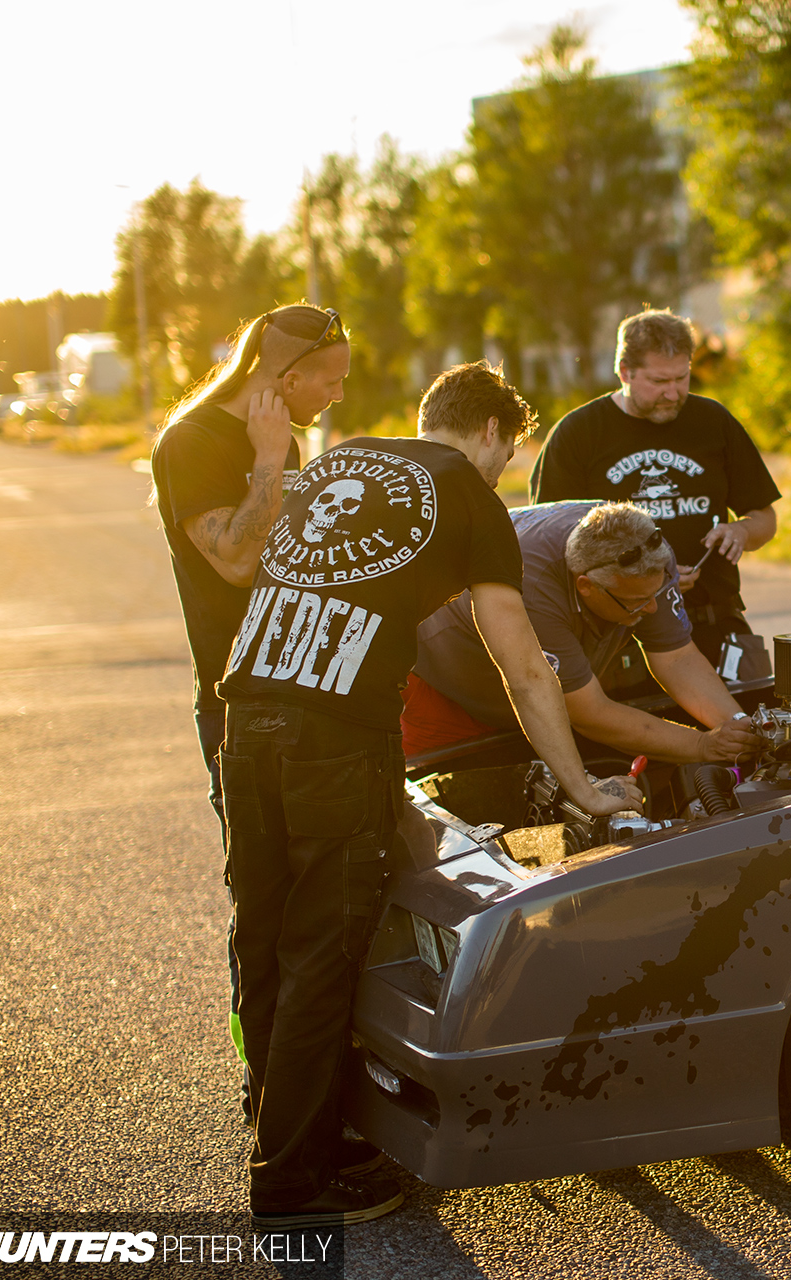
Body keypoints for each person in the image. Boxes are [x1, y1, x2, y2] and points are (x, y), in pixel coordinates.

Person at [216, 362, 640, 1230]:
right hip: (337, 738)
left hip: (248, 716)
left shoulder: (343, 459)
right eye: (507, 455)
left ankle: (286, 1130)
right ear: (491, 433)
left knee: (263, 934)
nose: (502, 472)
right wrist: (582, 788)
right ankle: (292, 1183)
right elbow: (523, 664)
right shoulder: (471, 496)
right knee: (322, 951)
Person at [149, 303, 346, 1113]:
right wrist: (269, 458)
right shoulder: (192, 441)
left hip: (300, 696)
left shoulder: (286, 439)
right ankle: (266, 1091)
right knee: (264, 907)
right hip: (235, 707)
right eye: (328, 380)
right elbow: (234, 560)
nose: (336, 395)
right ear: (283, 376)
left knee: (319, 904)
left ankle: (315, 1084)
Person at [402, 501, 765, 765]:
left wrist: (739, 728)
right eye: (637, 602)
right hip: (446, 683)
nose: (652, 610)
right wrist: (702, 746)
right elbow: (588, 712)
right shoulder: (531, 590)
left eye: (655, 593)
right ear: (586, 586)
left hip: (538, 673)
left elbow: (678, 657)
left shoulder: (648, 550)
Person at [529, 309, 783, 668]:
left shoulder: (713, 422)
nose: (673, 392)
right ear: (625, 372)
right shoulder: (578, 433)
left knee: (748, 705)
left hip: (713, 622)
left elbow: (764, 517)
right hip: (619, 635)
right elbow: (553, 548)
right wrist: (649, 580)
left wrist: (741, 531)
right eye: (659, 381)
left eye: (682, 377)